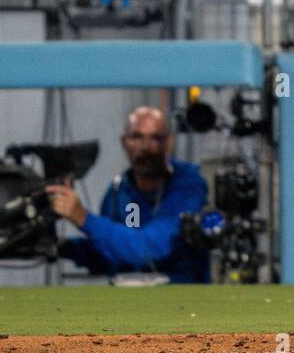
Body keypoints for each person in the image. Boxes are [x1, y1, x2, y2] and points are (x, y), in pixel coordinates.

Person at [49, 106, 209, 284]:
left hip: (184, 300)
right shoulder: (120, 193)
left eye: (155, 138)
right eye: (137, 137)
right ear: (124, 142)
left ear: (169, 143)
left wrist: (84, 219)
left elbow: (148, 250)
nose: (146, 148)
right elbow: (116, 254)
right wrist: (61, 246)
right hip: (132, 302)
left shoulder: (188, 186)